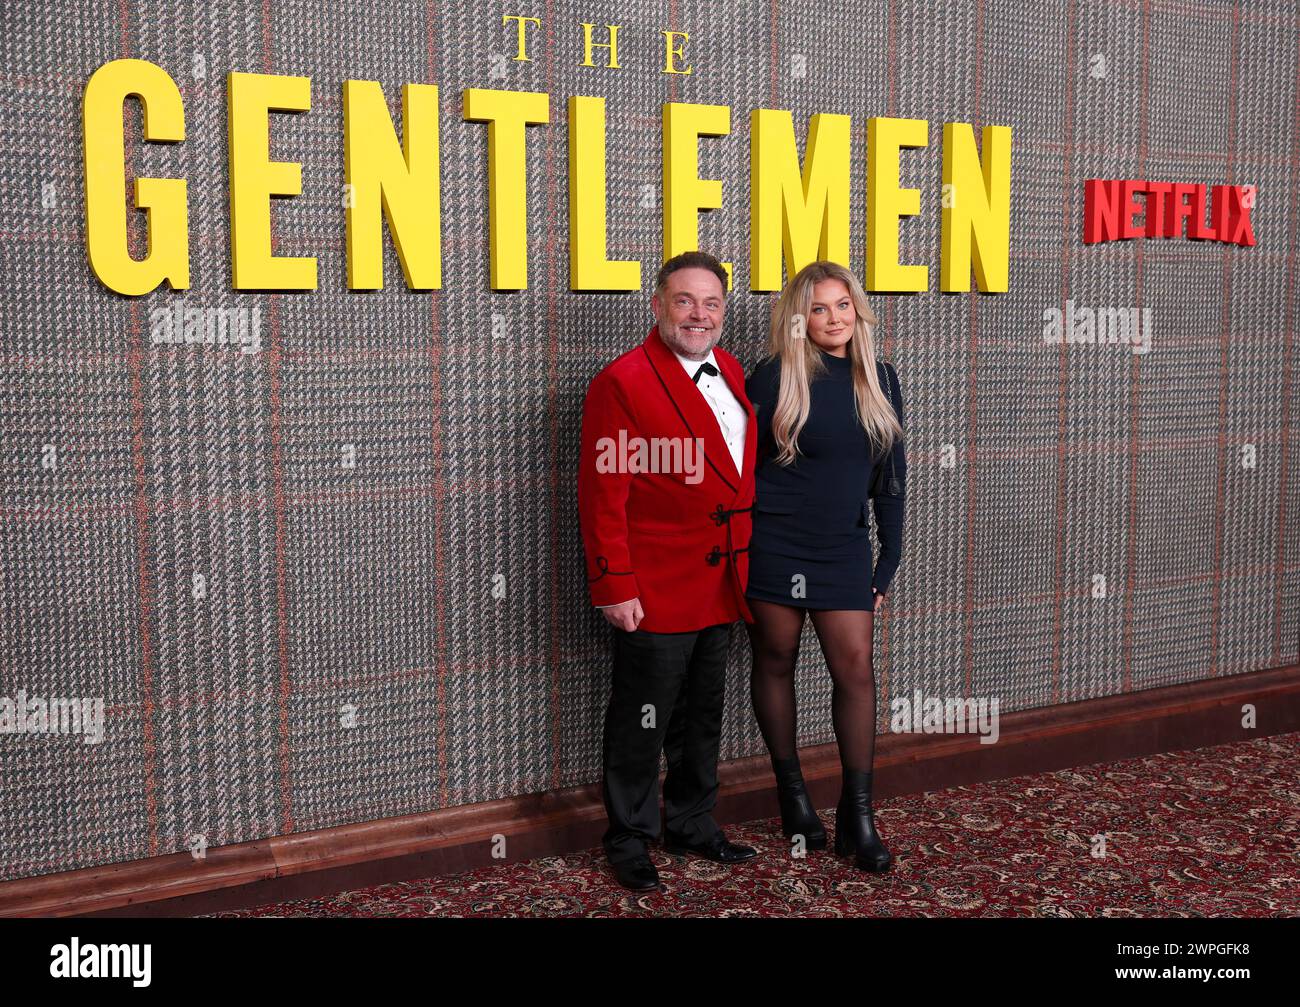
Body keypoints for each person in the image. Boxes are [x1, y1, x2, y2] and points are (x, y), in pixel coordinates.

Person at [577, 250, 761, 892]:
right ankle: (627, 837)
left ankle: (691, 821)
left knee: (702, 712)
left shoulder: (732, 369)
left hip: (723, 580)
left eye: (711, 304)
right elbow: (604, 496)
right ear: (657, 306)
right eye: (684, 301)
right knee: (643, 716)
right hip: (654, 584)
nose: (698, 314)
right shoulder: (622, 381)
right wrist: (614, 583)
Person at [743, 259, 907, 873]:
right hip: (775, 543)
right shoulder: (773, 376)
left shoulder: (881, 379)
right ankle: (793, 799)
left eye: (843, 305)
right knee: (775, 659)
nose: (833, 318)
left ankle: (856, 818)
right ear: (799, 318)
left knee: (856, 669)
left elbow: (890, 480)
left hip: (842, 548)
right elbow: (740, 471)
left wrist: (886, 564)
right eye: (819, 308)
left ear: (857, 311)